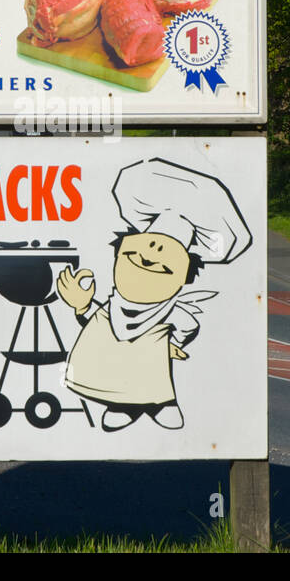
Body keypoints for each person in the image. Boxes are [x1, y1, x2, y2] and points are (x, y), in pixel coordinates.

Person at [57, 158, 251, 430]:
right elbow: (100, 315)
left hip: (153, 365)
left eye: (166, 253)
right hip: (115, 370)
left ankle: (161, 403)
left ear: (184, 276)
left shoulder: (171, 310)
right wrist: (83, 305)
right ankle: (121, 404)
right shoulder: (115, 304)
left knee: (150, 377)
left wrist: (176, 344)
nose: (152, 254)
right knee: (118, 376)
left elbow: (188, 326)